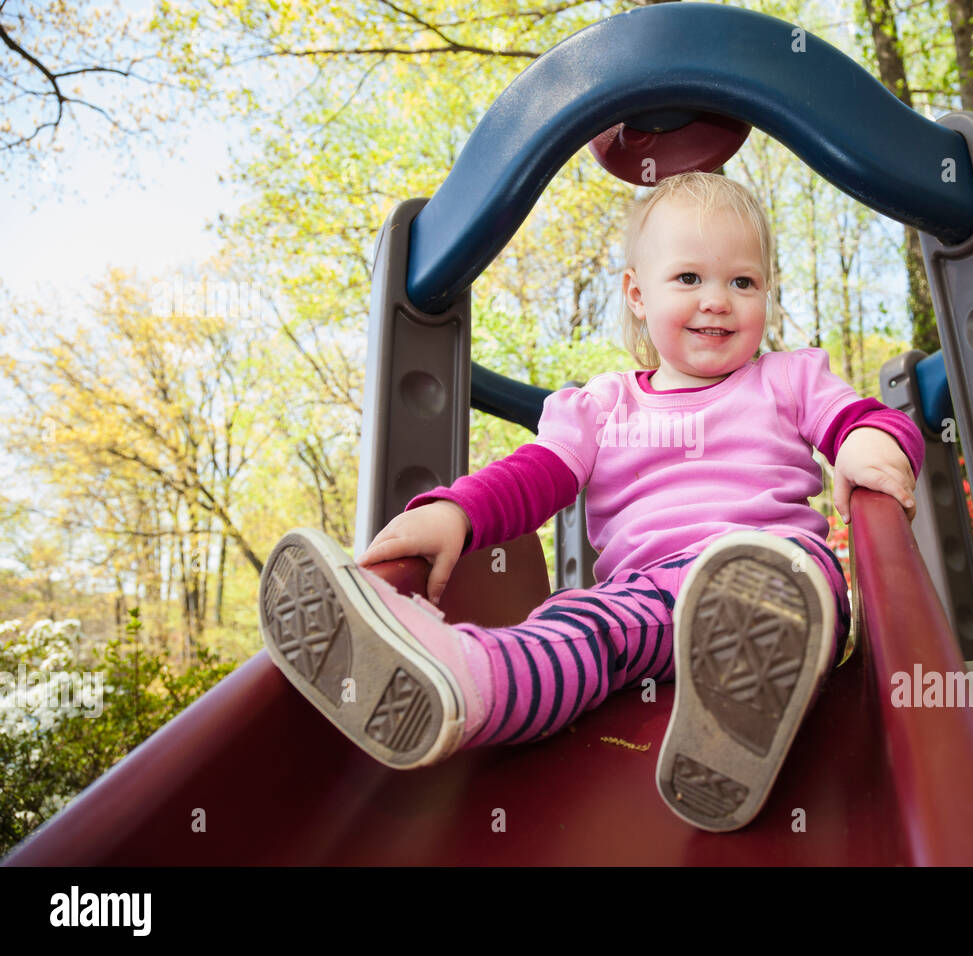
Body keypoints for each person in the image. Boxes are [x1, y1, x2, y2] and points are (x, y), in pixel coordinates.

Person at [259, 171, 923, 832]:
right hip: (648, 595)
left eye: (742, 282)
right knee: (580, 629)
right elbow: (540, 473)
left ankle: (746, 696)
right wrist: (456, 512)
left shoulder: (788, 378)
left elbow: (873, 422)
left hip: (780, 576)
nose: (717, 300)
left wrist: (869, 442)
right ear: (637, 294)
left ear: (766, 296)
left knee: (776, 590)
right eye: (689, 279)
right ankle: (466, 681)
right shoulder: (603, 406)